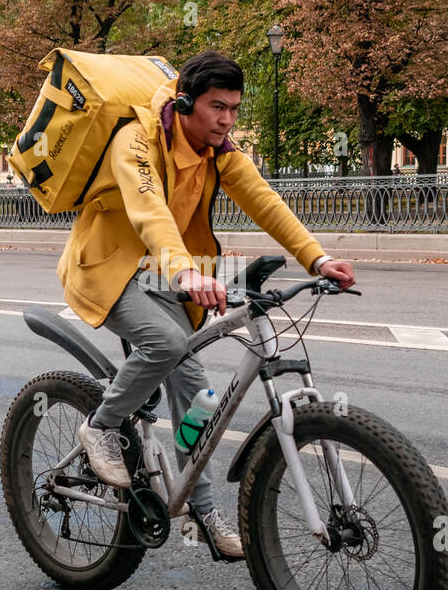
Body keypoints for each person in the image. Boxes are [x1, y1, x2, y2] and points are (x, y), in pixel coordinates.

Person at [62, 51, 356, 558]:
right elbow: (150, 210)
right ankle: (101, 425)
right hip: (110, 267)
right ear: (185, 102)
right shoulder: (136, 140)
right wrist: (185, 272)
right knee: (168, 342)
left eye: (235, 109)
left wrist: (317, 257)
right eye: (217, 106)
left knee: (199, 400)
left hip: (167, 271)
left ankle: (200, 509)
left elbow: (263, 199)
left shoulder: (218, 151)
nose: (226, 119)